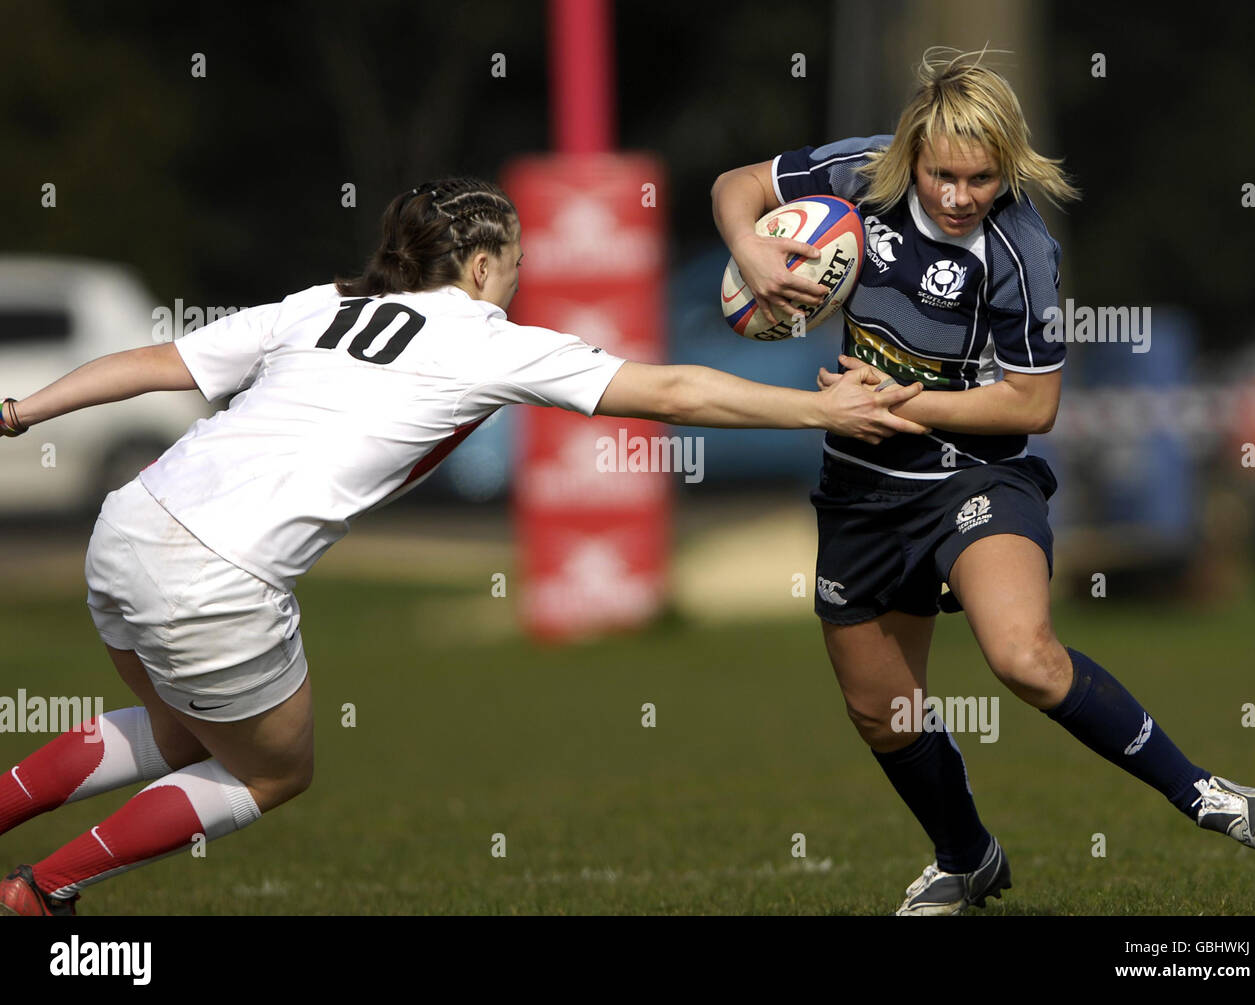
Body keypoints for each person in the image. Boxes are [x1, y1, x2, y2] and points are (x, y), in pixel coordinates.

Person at [0, 175, 929, 916]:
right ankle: (44, 891)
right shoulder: (486, 338)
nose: (517, 280)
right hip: (216, 575)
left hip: (124, 529)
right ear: (482, 264)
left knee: (177, 727)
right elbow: (676, 393)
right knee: (271, 769)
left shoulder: (321, 303)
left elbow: (156, 362)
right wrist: (820, 407)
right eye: (515, 262)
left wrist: (21, 408)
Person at [710, 48, 1255, 915]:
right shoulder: (862, 172)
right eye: (942, 174)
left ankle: (1200, 790)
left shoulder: (1023, 252)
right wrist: (751, 249)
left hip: (975, 477)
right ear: (913, 153)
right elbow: (737, 182)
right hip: (861, 483)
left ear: (1007, 166)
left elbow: (1035, 403)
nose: (957, 194)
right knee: (883, 713)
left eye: (979, 177)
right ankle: (966, 855)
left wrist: (912, 403)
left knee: (1024, 656)